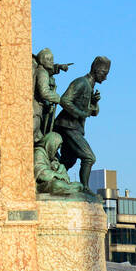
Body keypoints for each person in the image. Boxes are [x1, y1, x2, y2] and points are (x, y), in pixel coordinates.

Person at [54, 55, 110, 191]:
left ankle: (54, 180)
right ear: (96, 70)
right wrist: (80, 113)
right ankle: (85, 188)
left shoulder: (90, 88)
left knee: (68, 160)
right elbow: (64, 100)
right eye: (104, 73)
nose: (105, 77)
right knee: (89, 157)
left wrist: (95, 102)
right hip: (67, 126)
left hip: (75, 128)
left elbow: (94, 112)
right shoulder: (81, 83)